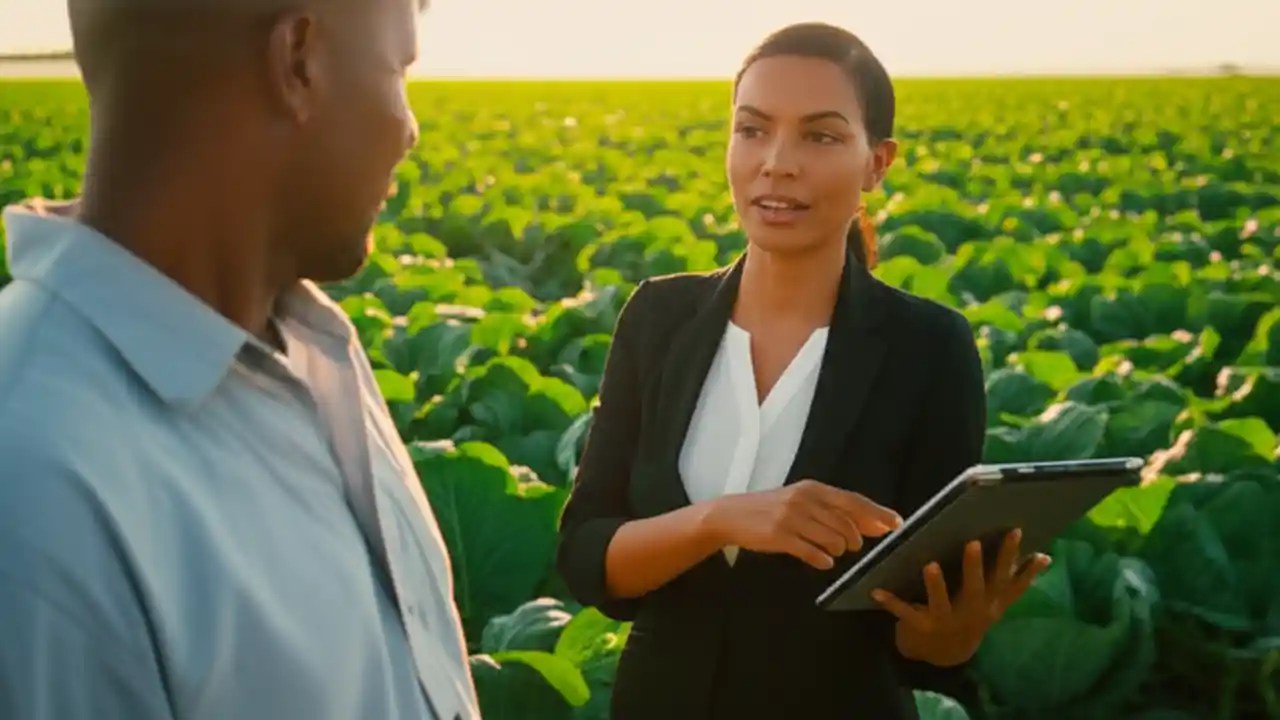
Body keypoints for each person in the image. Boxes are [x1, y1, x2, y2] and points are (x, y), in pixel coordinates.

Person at [556, 22, 1051, 720]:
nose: (776, 163)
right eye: (752, 130)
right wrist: (721, 521)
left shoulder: (929, 347)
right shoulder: (658, 318)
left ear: (877, 162)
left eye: (819, 136)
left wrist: (952, 633)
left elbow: (917, 646)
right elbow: (588, 559)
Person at [0, 1, 481, 719]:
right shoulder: (38, 484)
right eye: (399, 70)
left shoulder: (314, 349)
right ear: (298, 61)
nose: (409, 130)